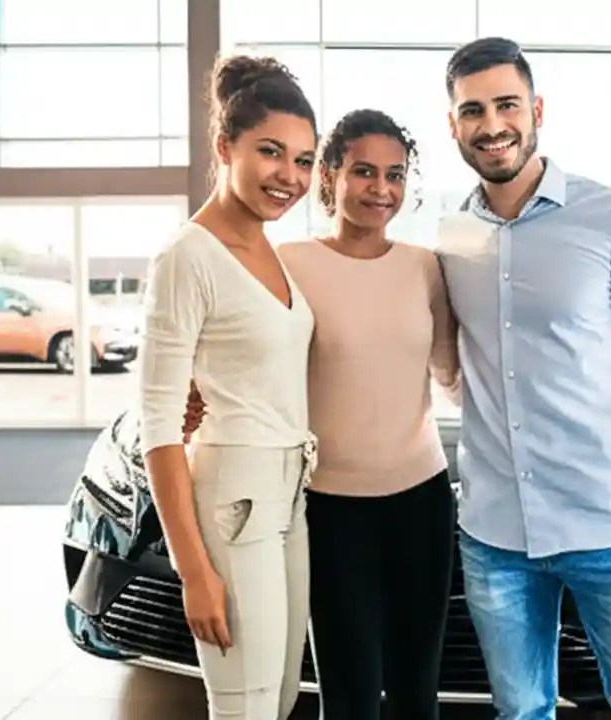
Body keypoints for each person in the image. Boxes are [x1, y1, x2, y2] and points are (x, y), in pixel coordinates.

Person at [436, 37, 611, 719]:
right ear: (453, 125)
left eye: (506, 105)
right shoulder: (448, 236)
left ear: (537, 109)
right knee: (521, 713)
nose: (491, 125)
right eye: (473, 110)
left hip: (608, 527)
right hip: (495, 533)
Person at [183, 108, 462, 719]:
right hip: (329, 509)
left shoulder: (424, 267)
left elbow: (454, 375)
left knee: (419, 692)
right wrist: (195, 392)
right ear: (331, 175)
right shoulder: (290, 263)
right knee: (350, 693)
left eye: (395, 174)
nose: (381, 189)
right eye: (364, 171)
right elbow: (245, 352)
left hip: (422, 500)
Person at [137, 53, 319, 720]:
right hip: (233, 500)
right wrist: (194, 574)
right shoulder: (187, 255)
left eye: (303, 160)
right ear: (224, 147)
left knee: (277, 698)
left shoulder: (270, 248)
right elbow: (157, 422)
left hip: (290, 495)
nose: (290, 176)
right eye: (270, 152)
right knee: (244, 706)